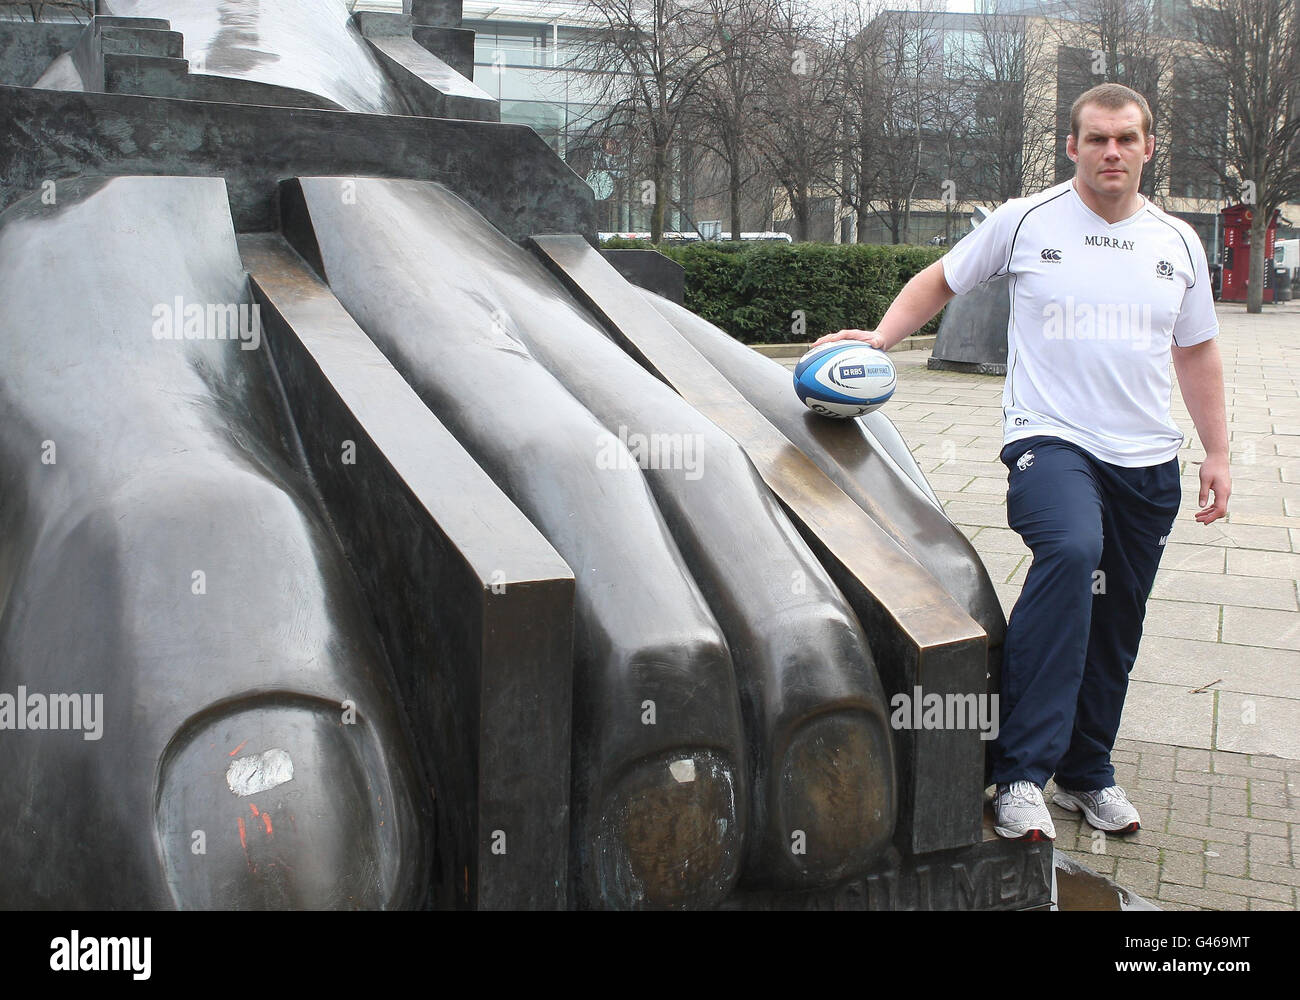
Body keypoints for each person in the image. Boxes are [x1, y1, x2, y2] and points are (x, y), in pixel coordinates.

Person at [811, 83, 1230, 841]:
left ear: (1148, 147)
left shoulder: (1178, 242)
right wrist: (882, 338)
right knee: (1071, 553)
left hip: (1147, 460)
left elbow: (1197, 349)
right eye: (1097, 138)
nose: (1112, 152)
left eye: (1126, 139)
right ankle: (1019, 773)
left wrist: (1219, 452)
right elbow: (941, 278)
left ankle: (1086, 772)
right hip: (1050, 439)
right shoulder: (1026, 220)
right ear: (1072, 145)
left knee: (1116, 620)